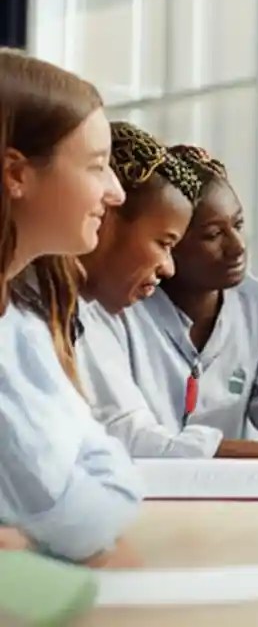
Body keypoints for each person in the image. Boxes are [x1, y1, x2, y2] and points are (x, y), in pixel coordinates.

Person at [77, 129, 258, 474]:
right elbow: (133, 437)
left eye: (238, 225)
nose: (238, 247)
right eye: (212, 235)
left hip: (227, 495)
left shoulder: (254, 304)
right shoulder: (108, 305)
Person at [0, 48, 140, 566]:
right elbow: (80, 522)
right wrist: (59, 533)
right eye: (97, 166)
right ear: (16, 173)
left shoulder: (24, 327)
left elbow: (115, 479)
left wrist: (38, 538)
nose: (116, 192)